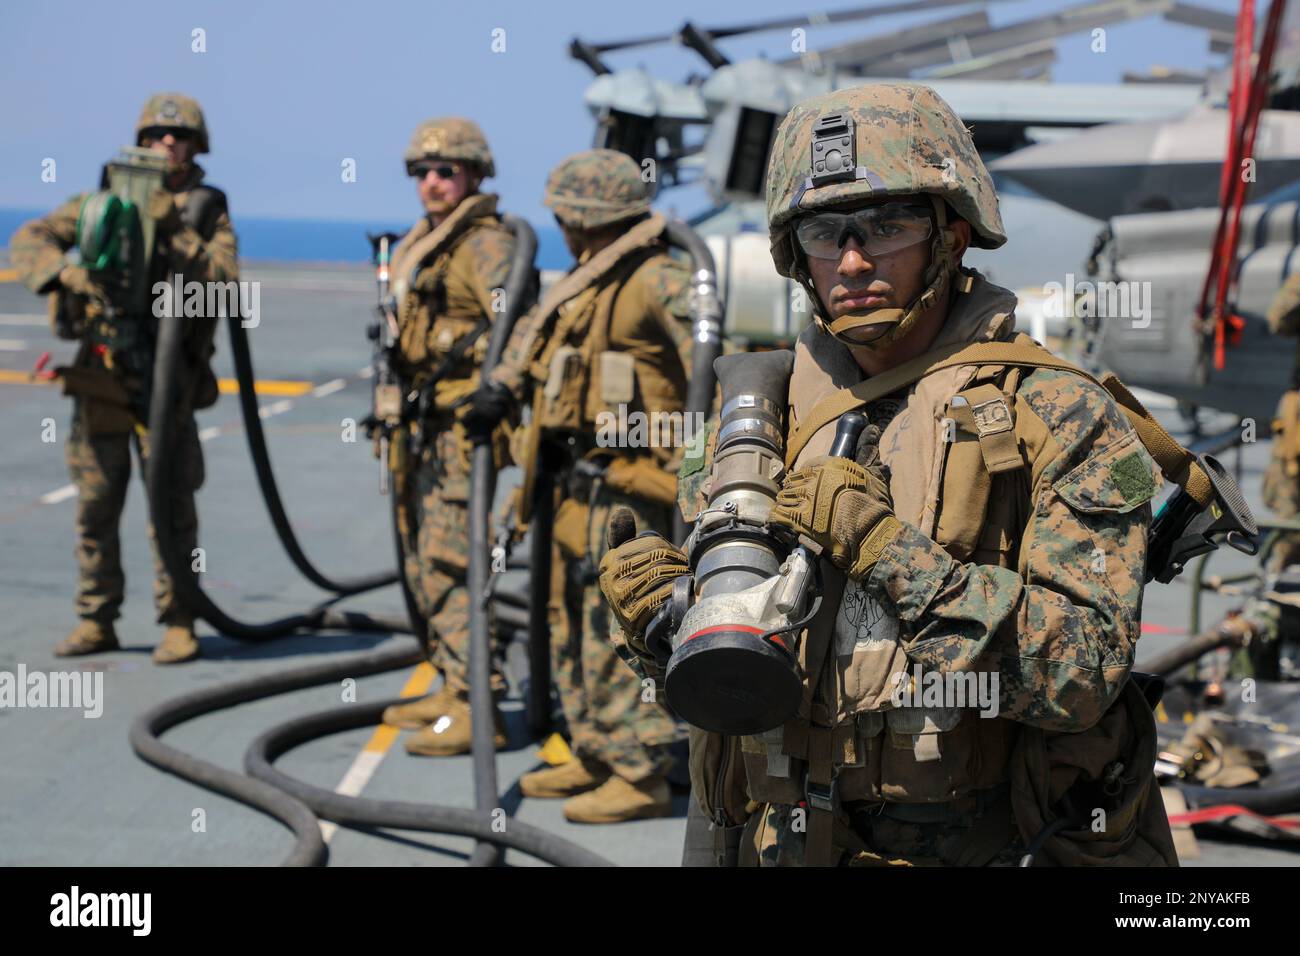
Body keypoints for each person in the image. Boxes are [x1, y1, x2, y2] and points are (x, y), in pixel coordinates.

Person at [600, 83, 1178, 865]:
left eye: (890, 225)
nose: (853, 259)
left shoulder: (1058, 414)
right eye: (823, 230)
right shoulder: (758, 419)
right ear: (792, 252)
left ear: (953, 234)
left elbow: (1081, 673)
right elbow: (734, 684)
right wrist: (662, 630)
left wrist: (885, 551)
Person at [460, 149, 692, 823]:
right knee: (567, 619)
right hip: (574, 485)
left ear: (582, 216)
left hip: (628, 490)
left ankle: (640, 769)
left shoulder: (657, 280)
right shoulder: (589, 279)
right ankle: (594, 747)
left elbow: (710, 364)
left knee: (615, 628)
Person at [10, 92, 237, 664]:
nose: (166, 144)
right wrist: (66, 273)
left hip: (168, 386)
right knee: (96, 504)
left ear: (195, 147)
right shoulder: (102, 201)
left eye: (178, 137)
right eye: (156, 135)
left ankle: (180, 616)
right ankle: (96, 616)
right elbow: (29, 238)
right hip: (103, 377)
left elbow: (225, 283)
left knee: (171, 506)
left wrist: (176, 233)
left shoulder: (206, 209)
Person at [376, 118, 531, 757]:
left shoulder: (484, 245)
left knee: (452, 562)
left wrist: (495, 392)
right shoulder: (429, 241)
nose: (433, 183)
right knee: (422, 565)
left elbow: (517, 323)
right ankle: (452, 682)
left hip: (460, 431)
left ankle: (479, 706)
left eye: (446, 171)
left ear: (473, 175)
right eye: (422, 173)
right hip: (423, 429)